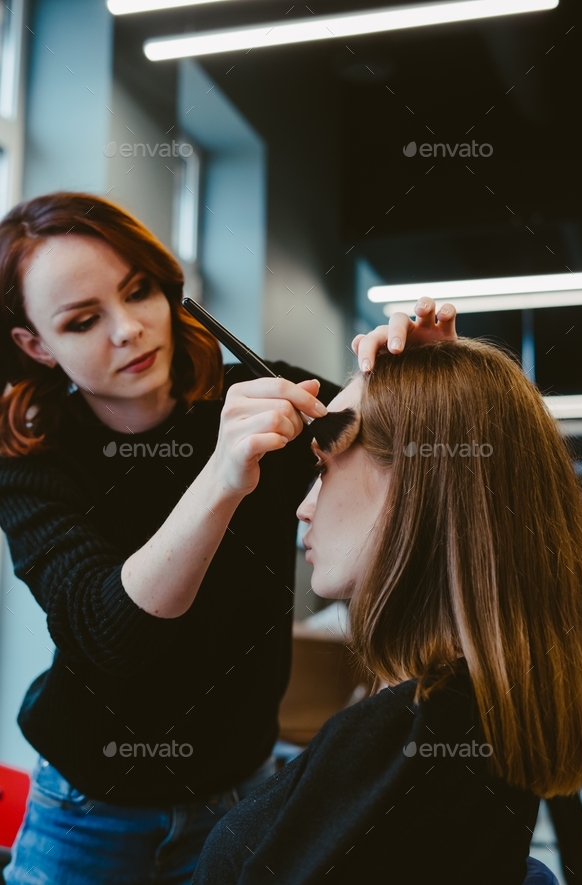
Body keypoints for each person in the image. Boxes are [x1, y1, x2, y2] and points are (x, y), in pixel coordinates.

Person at [0, 191, 457, 884]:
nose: (127, 329)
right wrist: (221, 473)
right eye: (84, 320)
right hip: (87, 805)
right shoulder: (34, 461)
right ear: (36, 345)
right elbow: (110, 633)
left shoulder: (263, 394)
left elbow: (412, 467)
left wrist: (428, 383)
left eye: (139, 291)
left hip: (241, 794)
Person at [192, 337, 582, 885]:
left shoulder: (411, 734)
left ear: (416, 481)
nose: (303, 508)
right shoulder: (482, 700)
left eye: (323, 468)